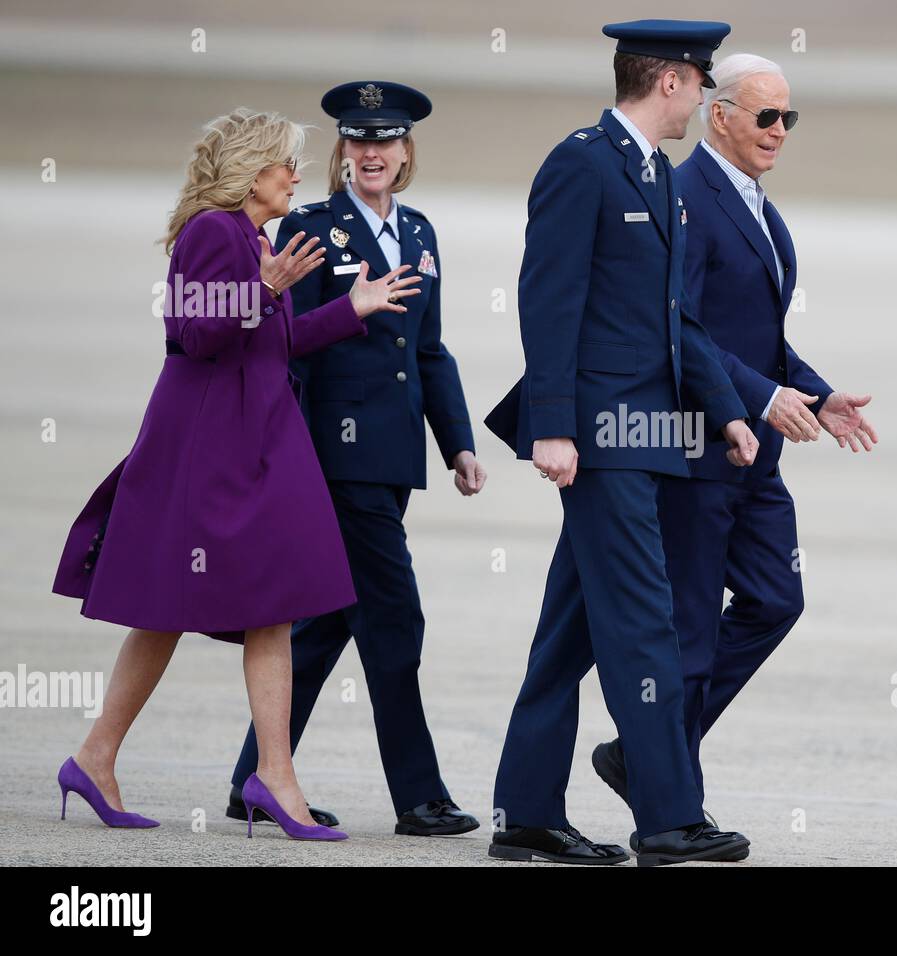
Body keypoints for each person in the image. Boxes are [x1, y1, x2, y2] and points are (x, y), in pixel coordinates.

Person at [51, 108, 420, 841]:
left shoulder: (252, 236)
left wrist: (348, 308)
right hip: (211, 440)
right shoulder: (211, 232)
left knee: (249, 603)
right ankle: (250, 774)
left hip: (249, 432)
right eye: (286, 163)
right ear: (254, 171)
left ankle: (137, 761)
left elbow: (270, 345)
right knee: (216, 603)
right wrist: (266, 288)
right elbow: (193, 333)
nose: (295, 176)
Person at [484, 20, 759, 867]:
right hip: (602, 440)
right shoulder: (582, 163)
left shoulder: (663, 180)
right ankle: (668, 819)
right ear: (670, 81)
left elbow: (678, 321)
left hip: (651, 434)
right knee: (645, 626)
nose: (704, 98)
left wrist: (727, 410)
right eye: (700, 82)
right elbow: (548, 300)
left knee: (568, 634)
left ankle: (526, 812)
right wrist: (556, 428)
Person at [588, 55, 880, 847]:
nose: (780, 132)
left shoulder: (758, 206)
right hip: (700, 445)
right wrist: (757, 398)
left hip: (759, 456)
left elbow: (763, 336)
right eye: (766, 117)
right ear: (719, 115)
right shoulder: (686, 198)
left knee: (775, 601)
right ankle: (669, 810)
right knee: (686, 629)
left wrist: (816, 395)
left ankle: (645, 756)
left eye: (789, 118)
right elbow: (682, 331)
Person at [226, 82, 485, 838]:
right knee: (395, 619)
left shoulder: (422, 232)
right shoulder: (309, 231)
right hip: (333, 460)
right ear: (342, 151)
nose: (372, 153)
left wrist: (459, 442)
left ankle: (254, 782)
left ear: (405, 152)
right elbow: (285, 346)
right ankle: (420, 797)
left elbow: (428, 351)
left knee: (325, 626)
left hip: (393, 456)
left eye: (387, 140)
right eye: (358, 140)